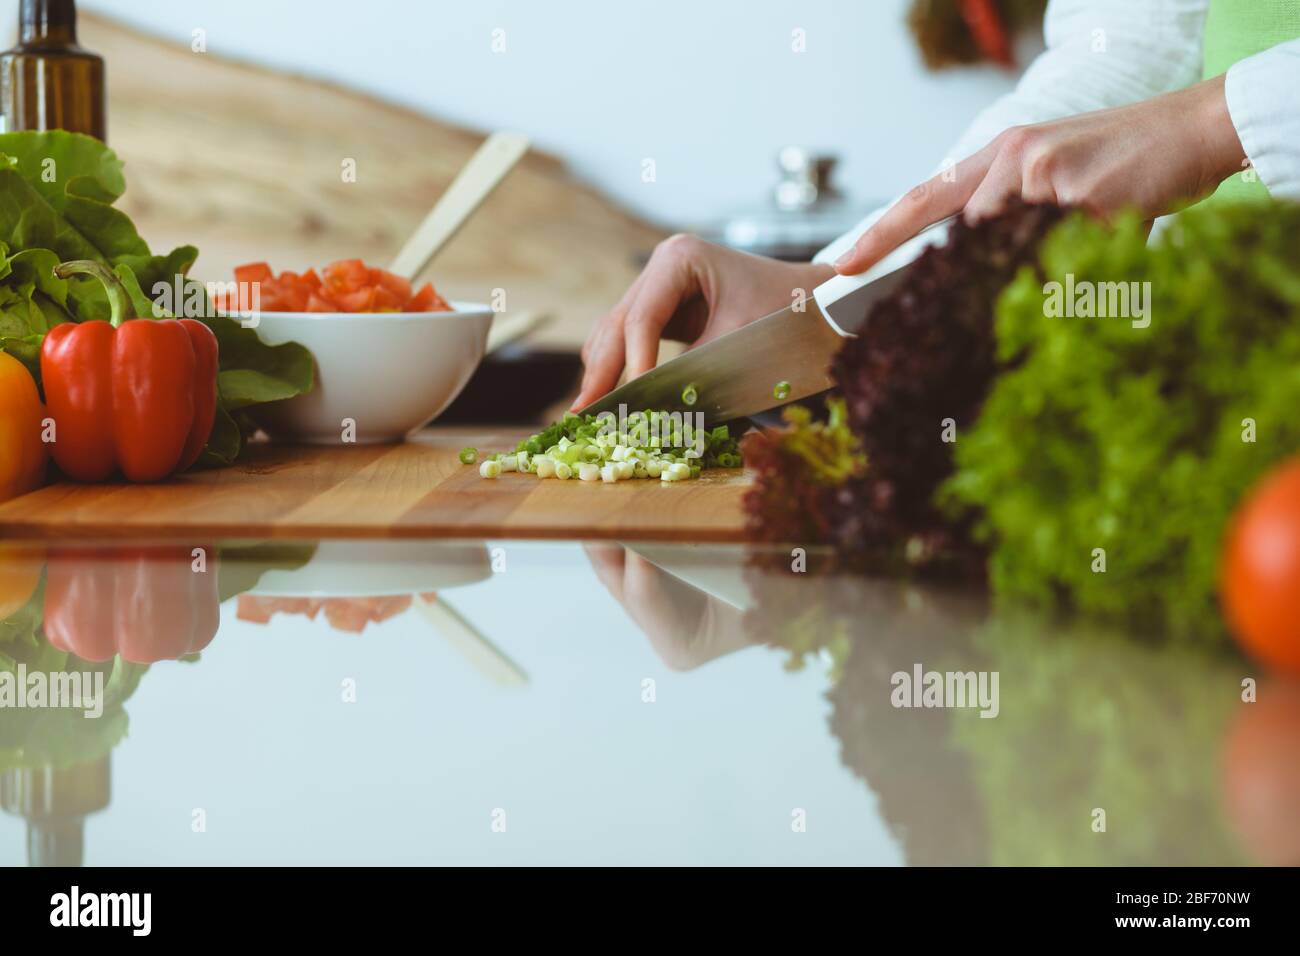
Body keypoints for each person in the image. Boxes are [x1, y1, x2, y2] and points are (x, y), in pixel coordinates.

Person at [572, 0, 1300, 410]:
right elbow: (1134, 43)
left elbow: (1185, 115)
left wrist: (1218, 123)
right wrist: (831, 292)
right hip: (1223, 374)